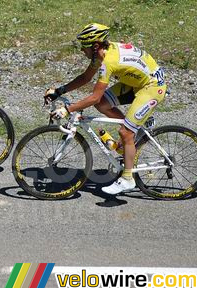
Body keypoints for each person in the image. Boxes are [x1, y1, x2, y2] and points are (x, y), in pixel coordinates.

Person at [44, 23, 167, 195]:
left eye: (83, 46)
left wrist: (67, 109)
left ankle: (127, 179)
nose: (81, 50)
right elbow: (86, 78)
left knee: (125, 133)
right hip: (136, 83)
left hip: (152, 87)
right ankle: (137, 125)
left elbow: (93, 95)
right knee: (102, 104)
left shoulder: (108, 62)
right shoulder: (100, 54)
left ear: (95, 46)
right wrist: (59, 91)